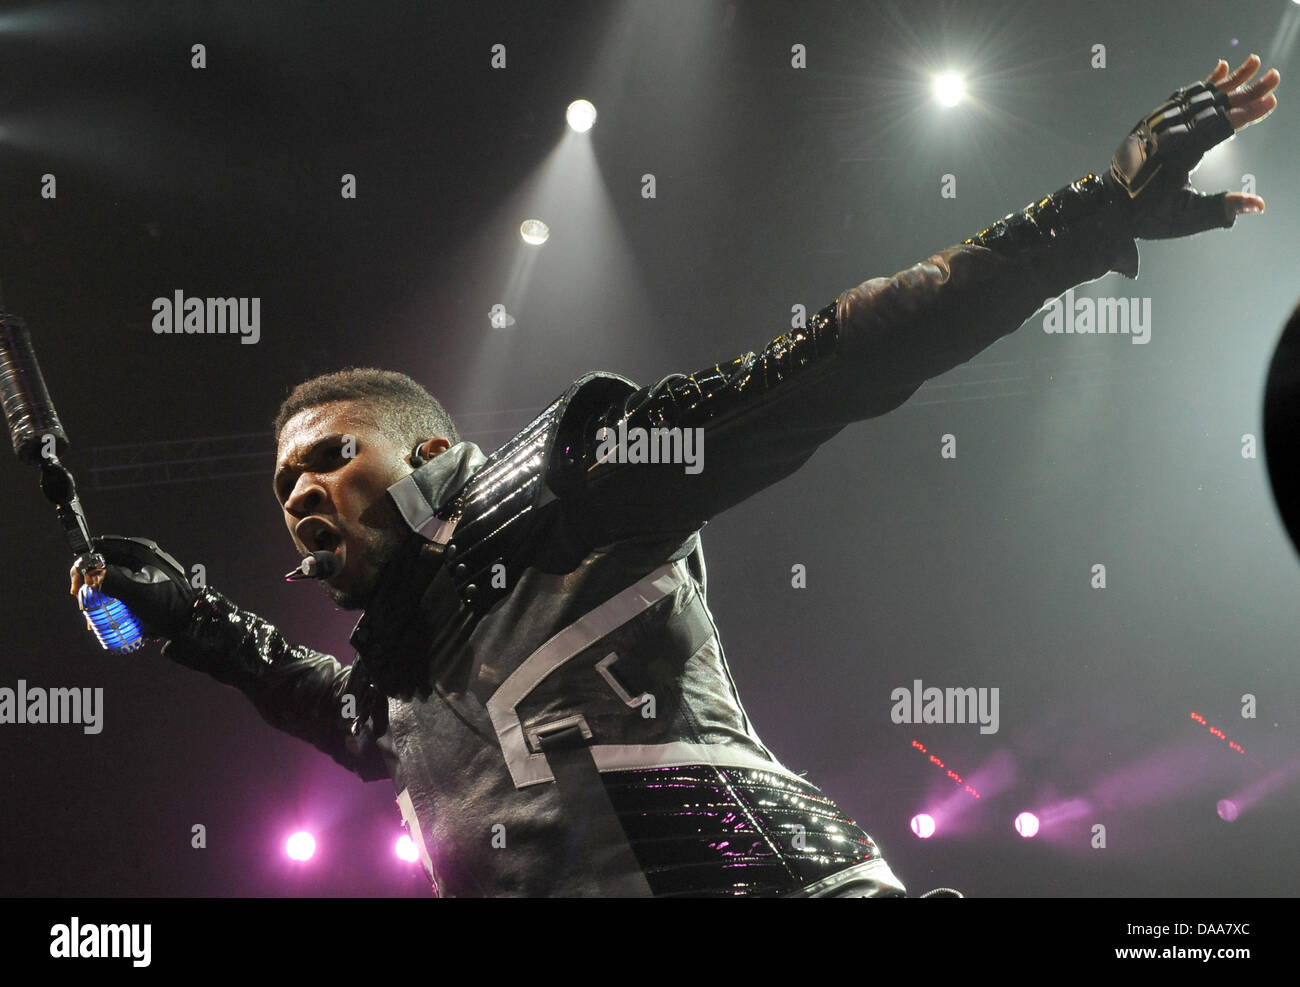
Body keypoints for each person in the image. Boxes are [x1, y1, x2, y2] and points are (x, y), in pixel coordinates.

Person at [70, 57, 1281, 897]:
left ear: (434, 453)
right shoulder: (401, 681)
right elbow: (335, 713)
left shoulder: (572, 487)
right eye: (285, 481)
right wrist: (188, 622)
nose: (298, 489)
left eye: (332, 455)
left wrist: (1087, 215)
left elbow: (832, 362)